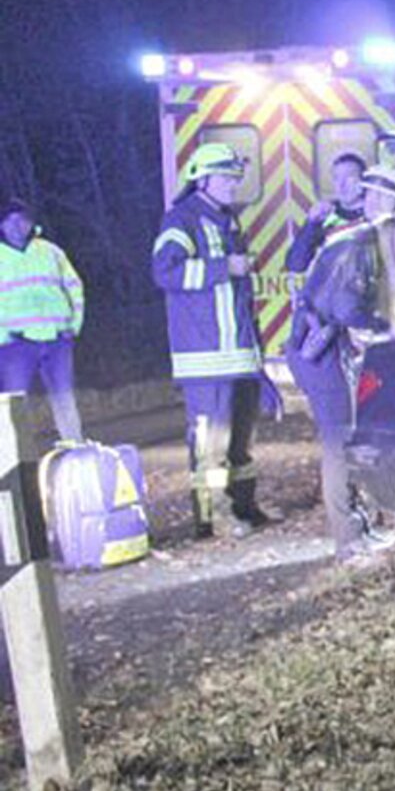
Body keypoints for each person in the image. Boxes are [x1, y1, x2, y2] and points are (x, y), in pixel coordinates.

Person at [287, 162, 395, 560]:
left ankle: (360, 526)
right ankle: (348, 541)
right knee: (339, 442)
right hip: (321, 352)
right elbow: (344, 307)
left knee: (352, 438)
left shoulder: (368, 239)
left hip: (333, 350)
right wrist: (384, 326)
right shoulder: (358, 243)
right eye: (384, 197)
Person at [152, 142, 273, 539]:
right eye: (225, 177)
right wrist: (224, 267)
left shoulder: (227, 221)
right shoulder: (181, 219)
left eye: (235, 178)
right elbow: (165, 273)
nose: (233, 185)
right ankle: (213, 518)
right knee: (210, 445)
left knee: (240, 443)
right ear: (201, 178)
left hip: (237, 355)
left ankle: (244, 506)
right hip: (205, 357)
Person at [0, 198, 84, 444]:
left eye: (23, 219)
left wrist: (73, 325)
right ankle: (13, 461)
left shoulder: (50, 251)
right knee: (14, 403)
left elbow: (74, 287)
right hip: (16, 344)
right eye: (11, 220)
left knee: (65, 400)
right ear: (2, 225)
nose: (19, 226)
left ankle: (76, 452)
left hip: (57, 340)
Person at [285, 152, 369, 274]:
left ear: (363, 181)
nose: (341, 185)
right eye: (336, 178)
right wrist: (311, 224)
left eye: (349, 177)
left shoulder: (373, 215)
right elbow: (296, 264)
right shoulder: (326, 216)